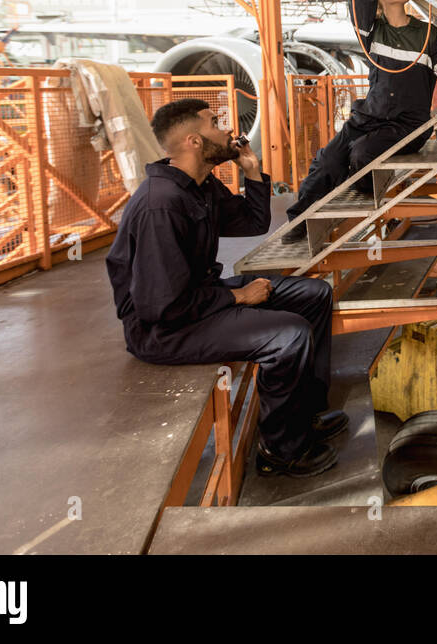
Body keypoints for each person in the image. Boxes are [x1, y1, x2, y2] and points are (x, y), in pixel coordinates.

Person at [106, 98, 345, 478]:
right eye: (215, 122)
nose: (228, 129)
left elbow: (252, 222)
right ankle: (281, 451)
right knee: (288, 336)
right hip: (165, 329)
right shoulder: (161, 205)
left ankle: (304, 415)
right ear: (194, 141)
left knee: (313, 295)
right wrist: (236, 296)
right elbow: (160, 306)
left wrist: (252, 171)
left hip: (196, 300)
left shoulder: (198, 186)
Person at [283, 0, 437, 241]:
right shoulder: (371, 32)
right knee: (327, 161)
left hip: (409, 125)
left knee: (362, 153)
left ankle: (359, 186)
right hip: (369, 117)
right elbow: (358, 0)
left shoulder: (428, 34)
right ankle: (299, 222)